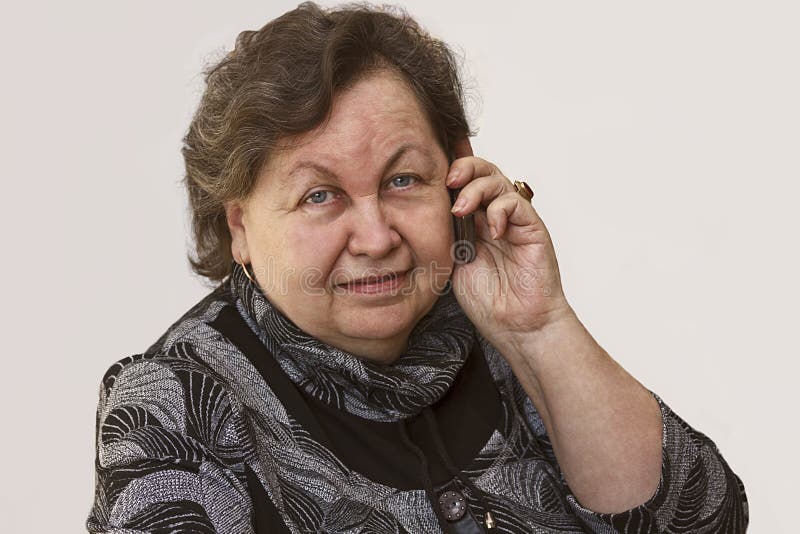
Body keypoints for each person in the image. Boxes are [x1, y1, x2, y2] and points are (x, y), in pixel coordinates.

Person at [86, 2, 748, 533]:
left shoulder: (495, 326)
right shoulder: (173, 403)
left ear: (455, 173)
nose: (376, 237)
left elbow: (705, 522)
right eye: (320, 196)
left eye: (403, 180)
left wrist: (541, 329)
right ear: (240, 227)